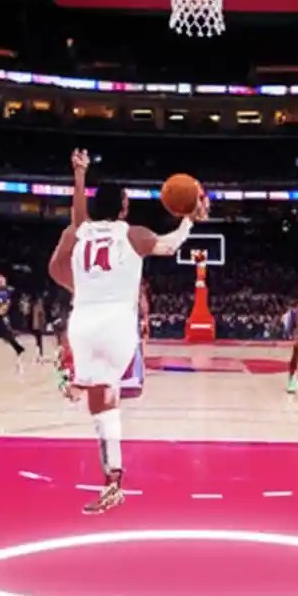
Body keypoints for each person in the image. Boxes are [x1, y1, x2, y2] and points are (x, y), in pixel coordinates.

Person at [48, 149, 208, 515]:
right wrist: (188, 219)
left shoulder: (81, 231)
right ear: (123, 208)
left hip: (82, 324)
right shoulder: (132, 233)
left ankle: (112, 479)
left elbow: (77, 216)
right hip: (117, 325)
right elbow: (169, 246)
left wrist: (78, 175)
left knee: (100, 406)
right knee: (110, 397)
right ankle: (113, 482)